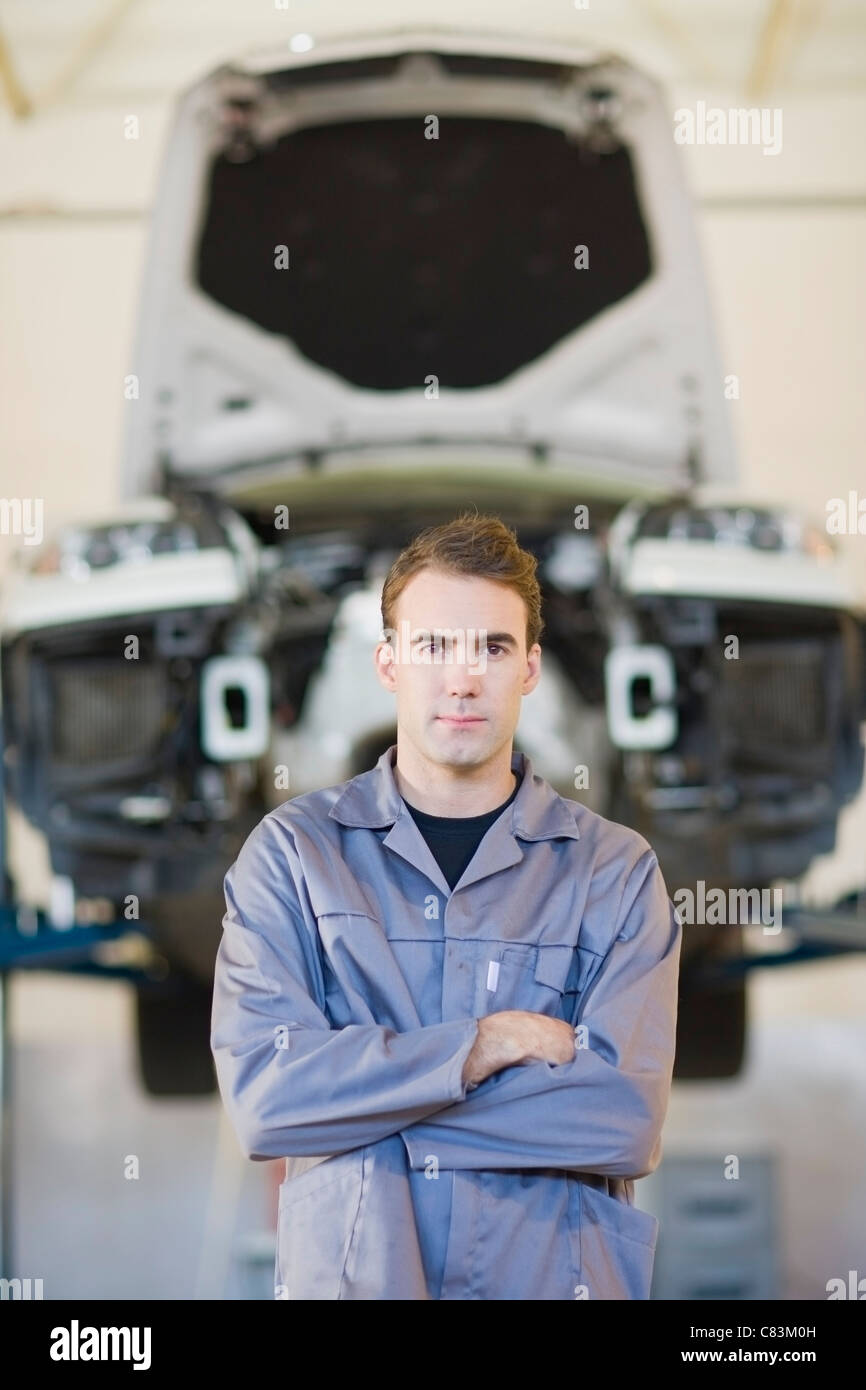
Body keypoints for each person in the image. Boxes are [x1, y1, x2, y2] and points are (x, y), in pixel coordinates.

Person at [210, 510, 682, 1300]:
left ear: (529, 667)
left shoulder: (615, 873)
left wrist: (365, 1108)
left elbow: (622, 1118)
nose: (462, 678)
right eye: (433, 646)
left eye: (492, 647)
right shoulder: (294, 858)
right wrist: (480, 1046)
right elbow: (267, 1100)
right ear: (389, 663)